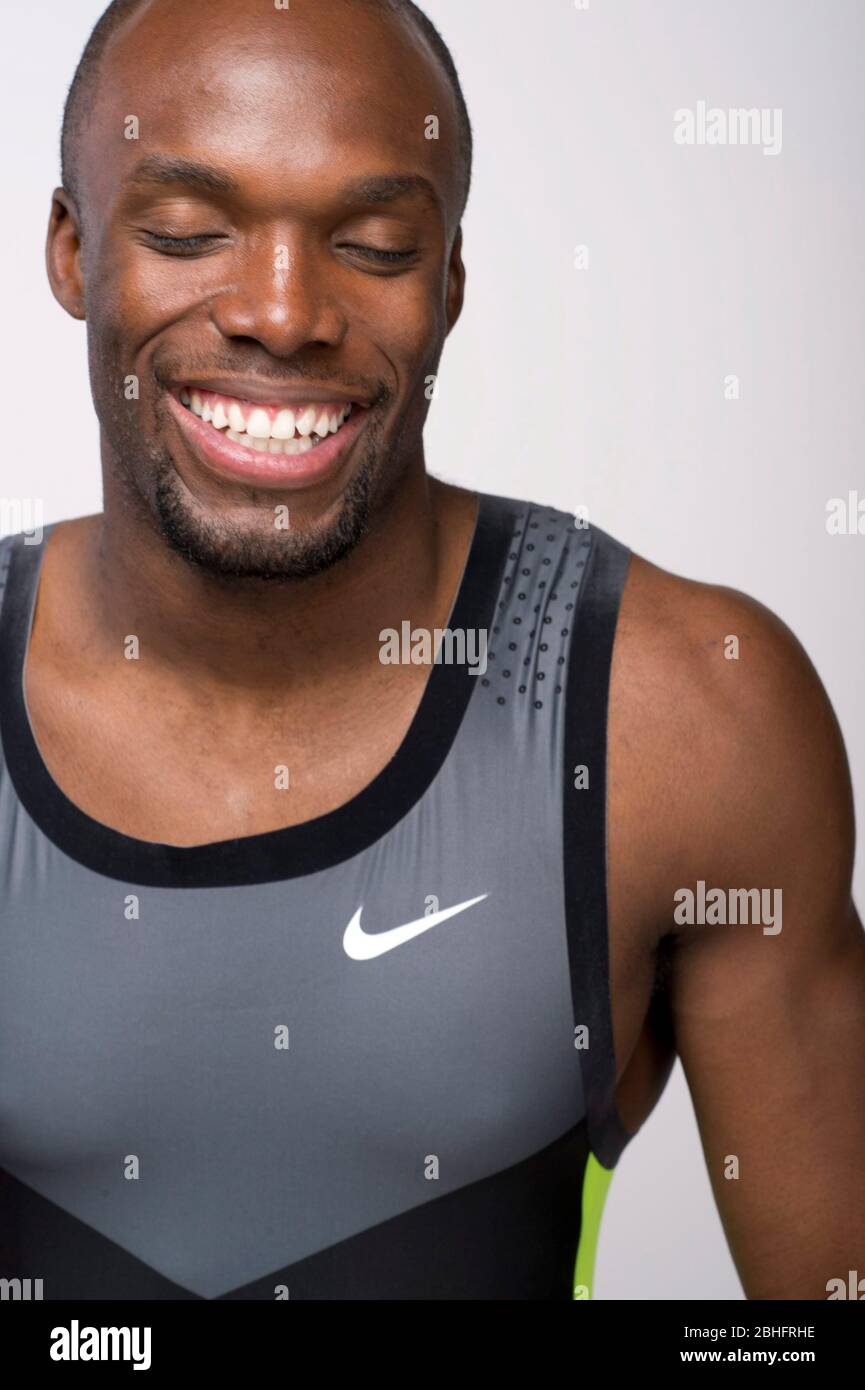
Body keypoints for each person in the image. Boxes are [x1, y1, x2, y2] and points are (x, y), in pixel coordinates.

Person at [0, 0, 862, 1301]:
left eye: (374, 244)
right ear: (72, 251)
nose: (283, 314)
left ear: (450, 281)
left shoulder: (680, 715)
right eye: (188, 232)